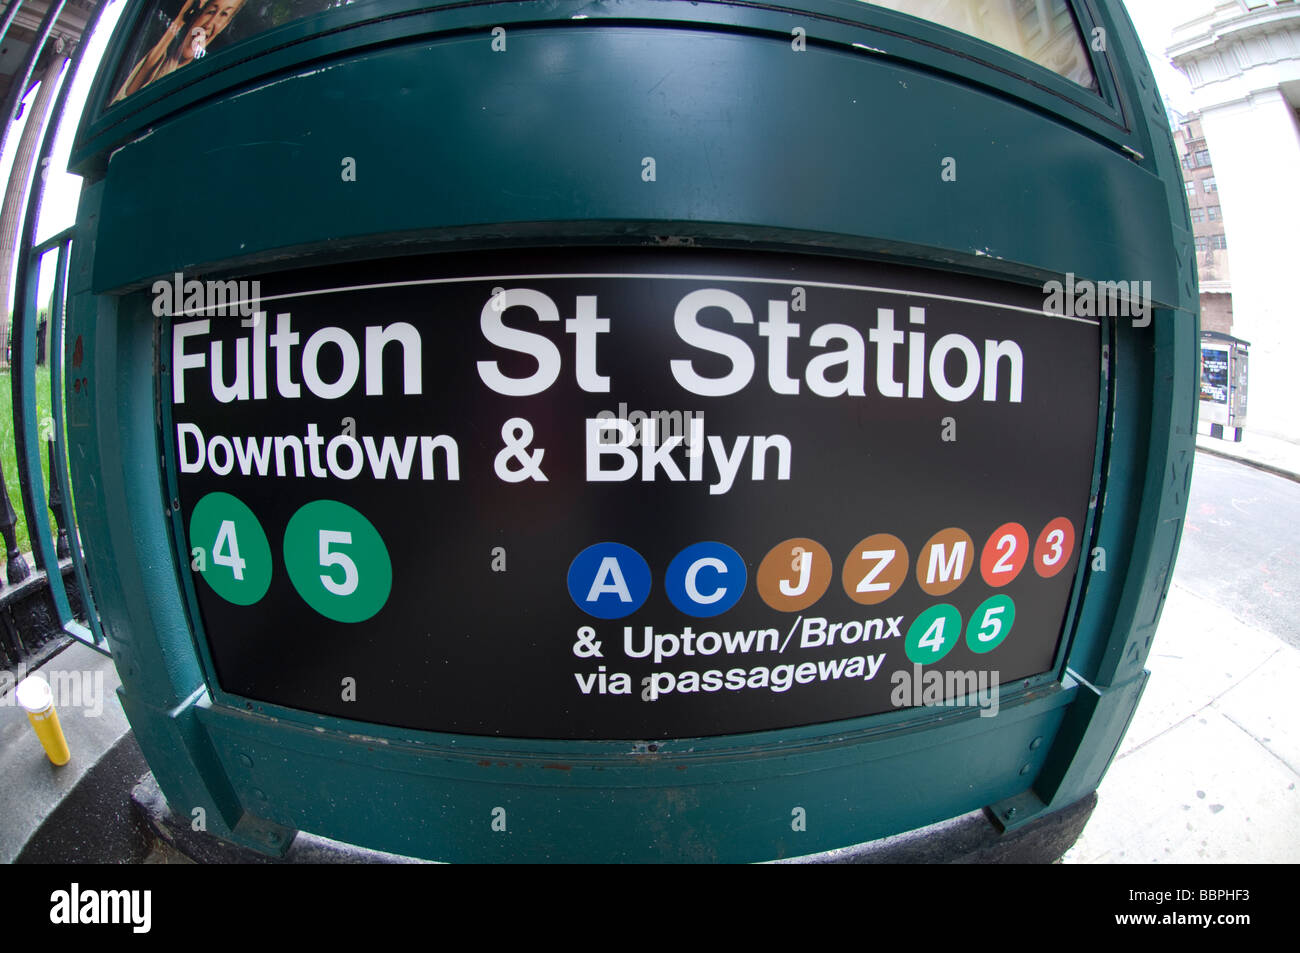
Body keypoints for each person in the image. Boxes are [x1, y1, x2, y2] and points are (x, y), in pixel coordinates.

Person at [111, 0, 249, 103]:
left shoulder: (206, 85)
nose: (209, 24)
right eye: (210, 11)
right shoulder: (159, 59)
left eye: (224, 15)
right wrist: (180, 20)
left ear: (225, 25)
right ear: (194, 13)